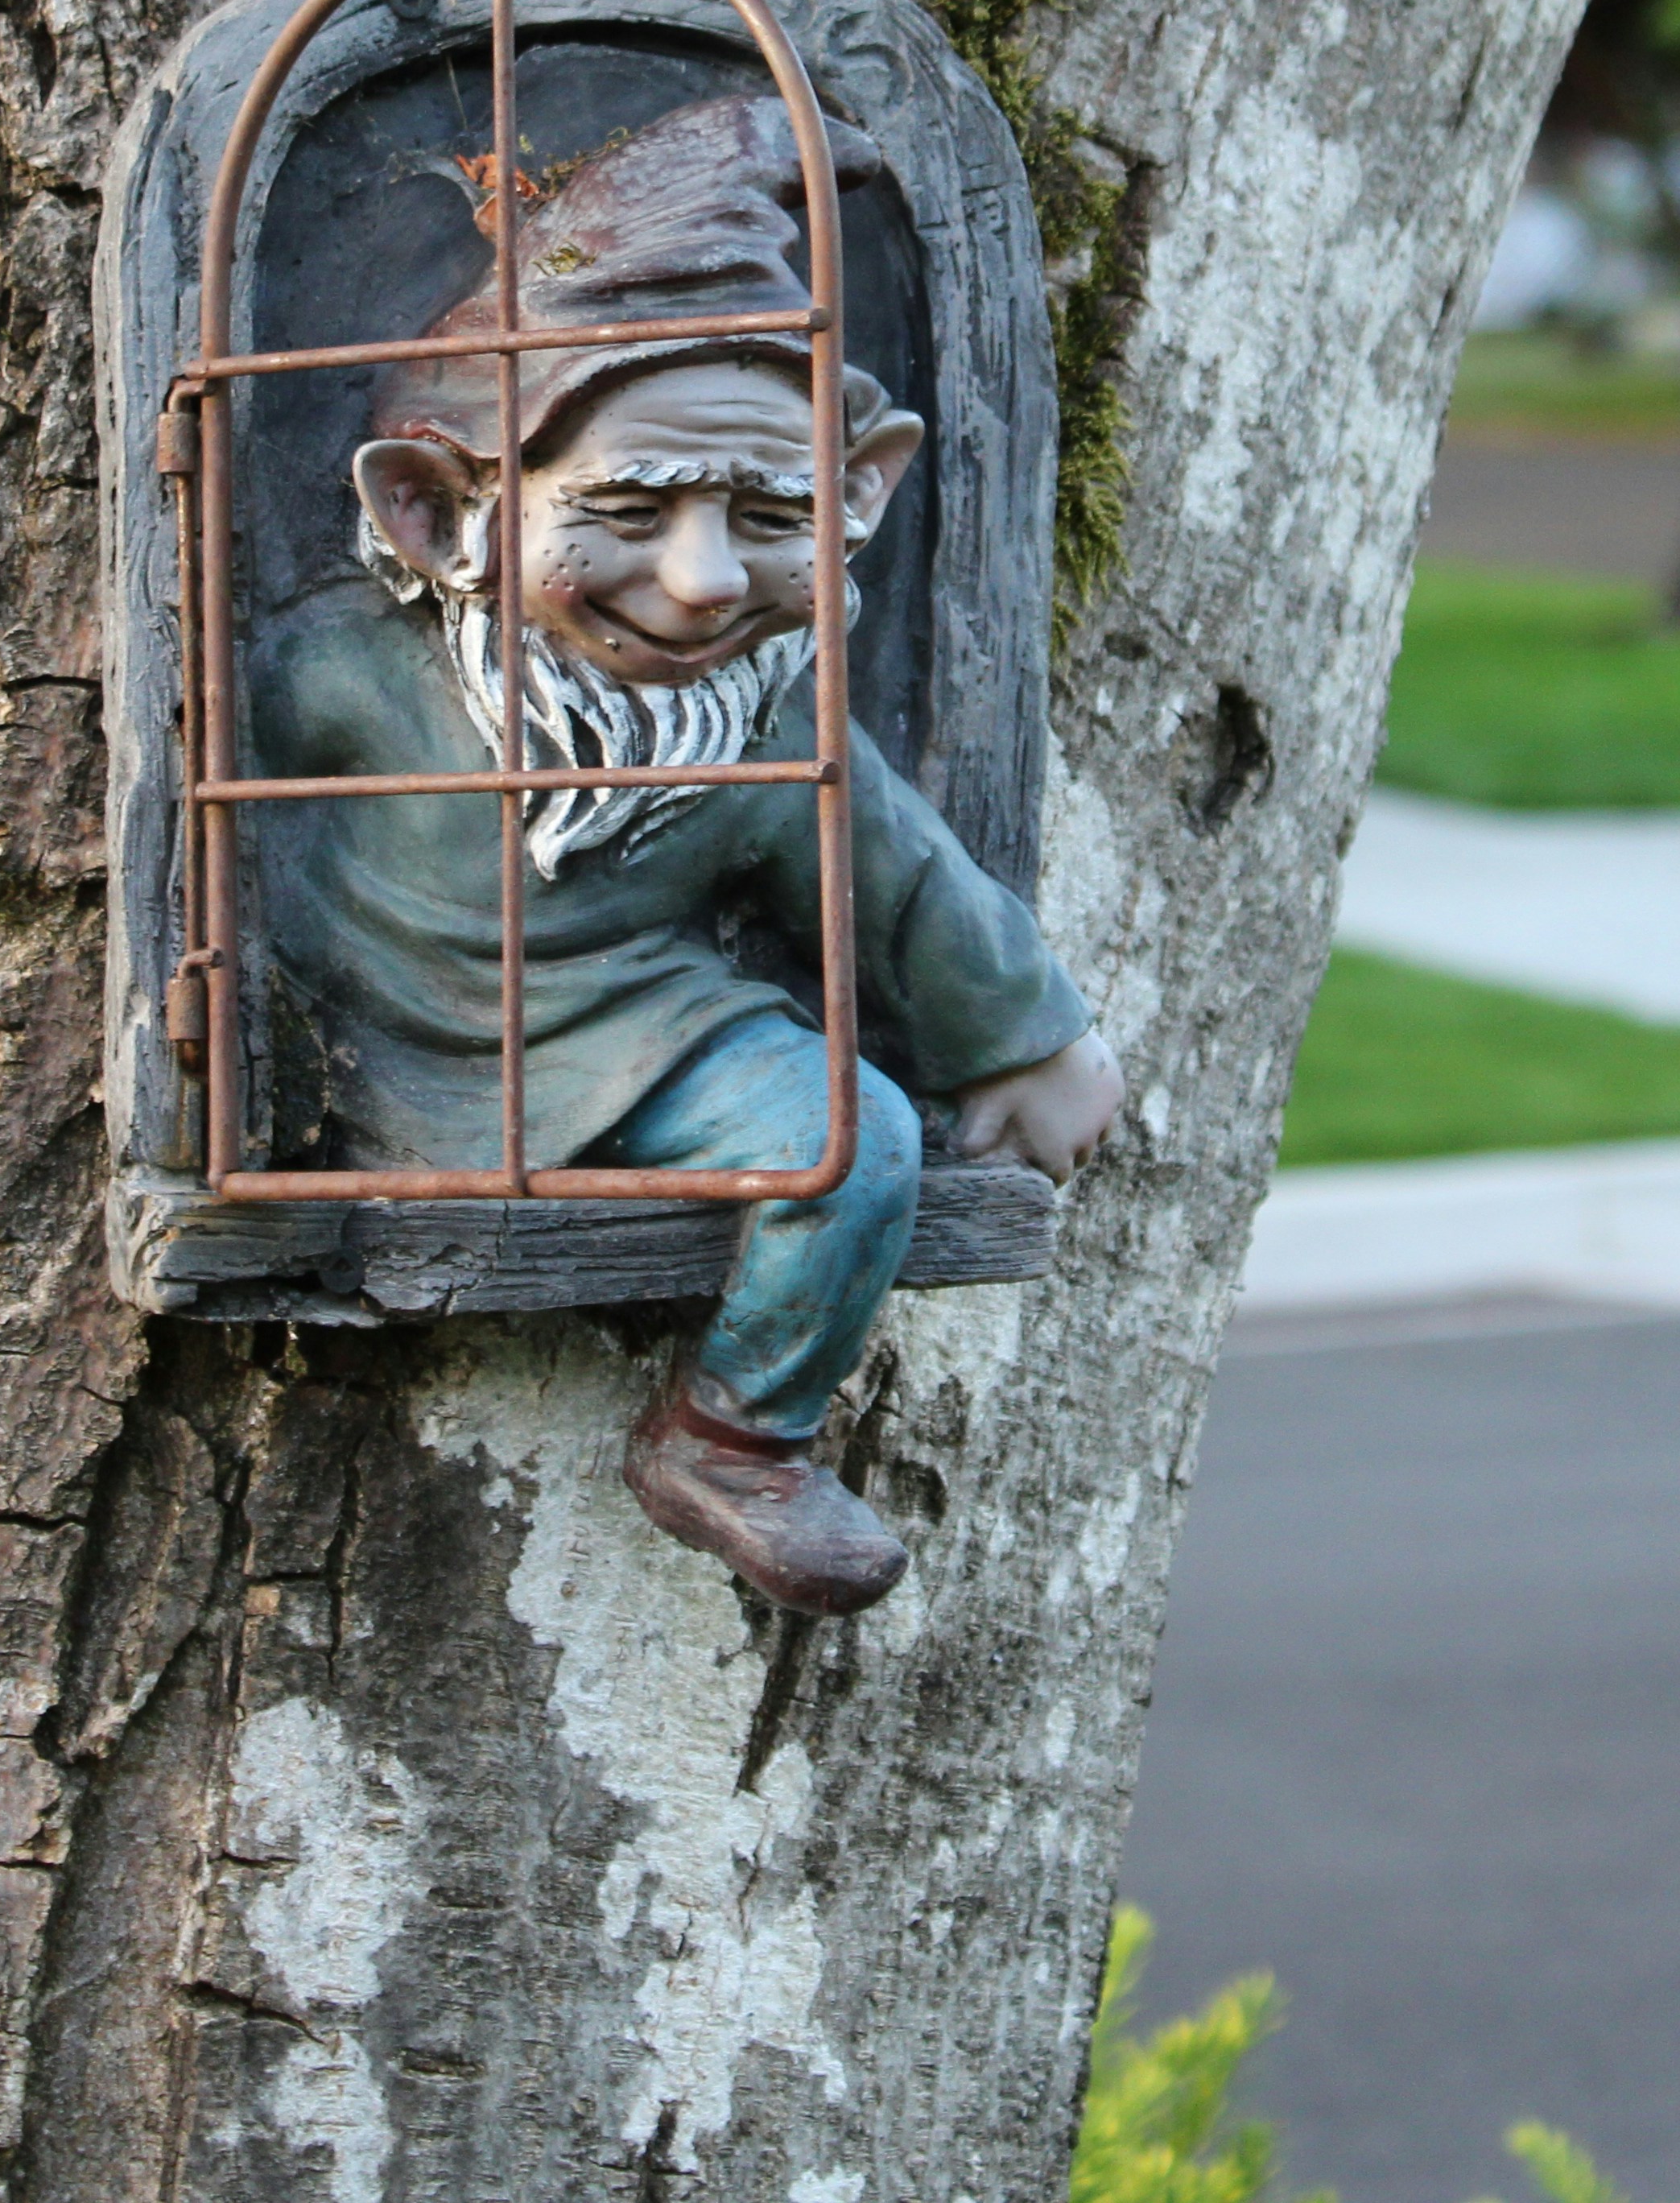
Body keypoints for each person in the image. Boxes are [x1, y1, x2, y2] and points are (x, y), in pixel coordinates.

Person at [246, 96, 1121, 1613]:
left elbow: (893, 875)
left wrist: (1029, 1035)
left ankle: (733, 1438)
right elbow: (206, 809)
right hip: (377, 1036)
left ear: (857, 495)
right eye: (631, 512)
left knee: (852, 1138)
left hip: (651, 1030)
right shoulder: (337, 676)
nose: (704, 581)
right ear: (439, 513)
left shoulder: (764, 712)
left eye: (771, 511)